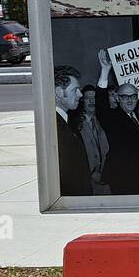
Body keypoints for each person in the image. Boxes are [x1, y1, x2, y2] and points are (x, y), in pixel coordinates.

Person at [95, 49, 139, 195]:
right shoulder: (112, 118)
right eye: (124, 97)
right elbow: (101, 105)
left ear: (137, 97)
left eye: (133, 96)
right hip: (121, 179)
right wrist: (105, 71)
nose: (130, 100)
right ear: (117, 98)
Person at [54, 65, 91, 196]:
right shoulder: (54, 129)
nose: (80, 94)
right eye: (75, 90)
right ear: (59, 92)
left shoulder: (67, 122)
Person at [77, 85, 111, 194]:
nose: (92, 101)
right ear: (82, 101)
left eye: (94, 98)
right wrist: (90, 173)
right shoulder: (75, 123)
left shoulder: (103, 121)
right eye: (88, 98)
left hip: (105, 180)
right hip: (85, 180)